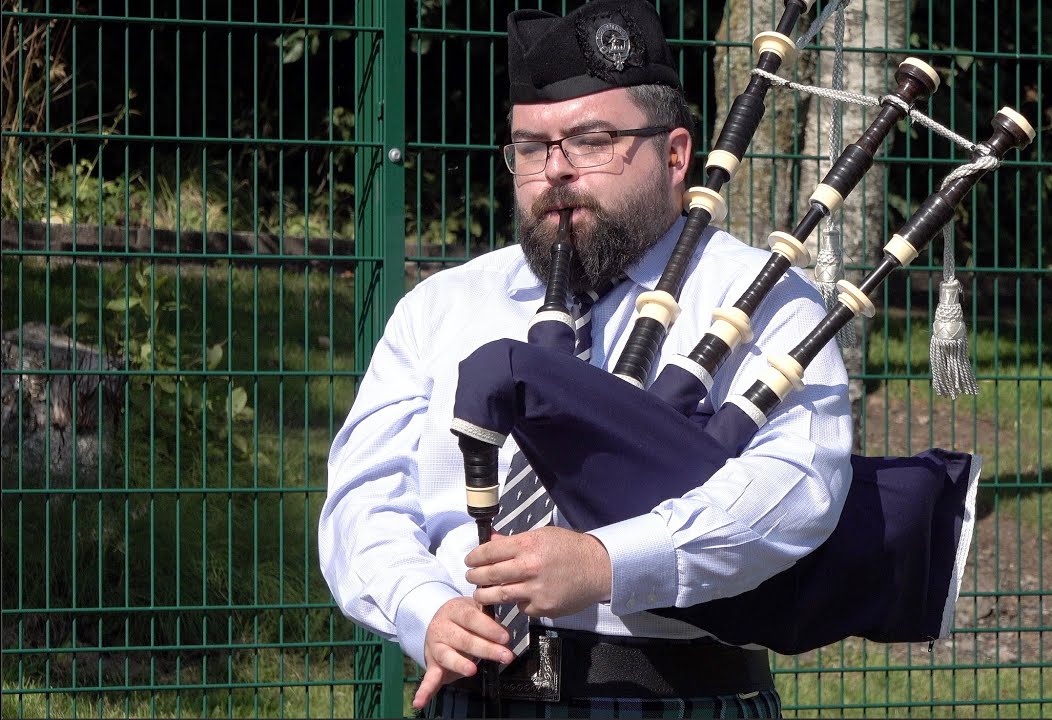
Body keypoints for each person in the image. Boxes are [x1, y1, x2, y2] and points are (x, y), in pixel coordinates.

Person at [318, 1, 853, 716]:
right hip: (473, 696)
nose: (555, 171)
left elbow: (796, 486)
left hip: (676, 695)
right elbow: (364, 497)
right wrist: (426, 608)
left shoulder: (758, 297)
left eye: (591, 141)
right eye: (531, 148)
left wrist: (609, 563)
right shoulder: (443, 306)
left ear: (675, 155)